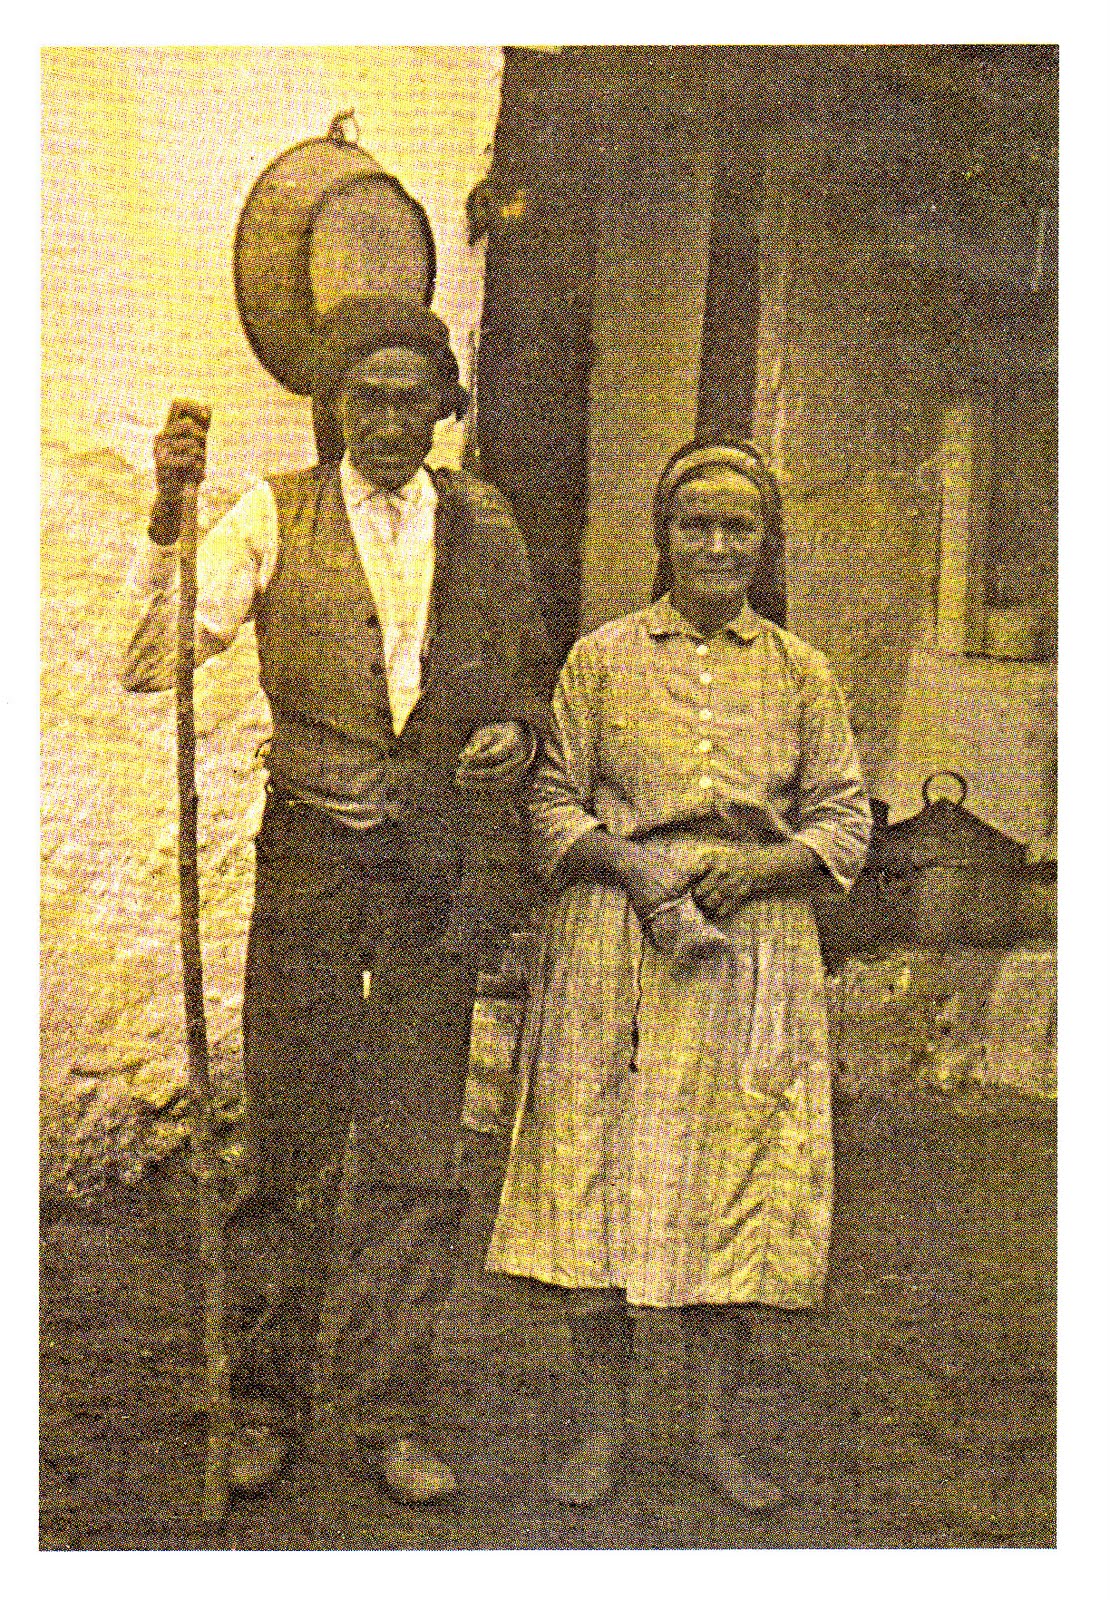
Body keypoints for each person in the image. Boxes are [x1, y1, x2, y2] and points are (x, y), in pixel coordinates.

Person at [120, 294, 554, 1504]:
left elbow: (523, 685)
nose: (389, 420)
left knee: (417, 1150)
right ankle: (262, 1400)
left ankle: (390, 1410)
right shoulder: (272, 512)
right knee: (292, 1138)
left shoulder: (489, 524)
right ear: (333, 404)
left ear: (445, 407)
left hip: (433, 873)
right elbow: (152, 661)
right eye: (366, 395)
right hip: (309, 857)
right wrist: (169, 516)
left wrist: (510, 737)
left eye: (413, 396)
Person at [485, 435, 872, 1510]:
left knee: (735, 1179)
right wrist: (634, 865)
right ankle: (601, 1435)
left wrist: (754, 868)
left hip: (750, 946)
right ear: (662, 537)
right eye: (693, 523)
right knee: (594, 1176)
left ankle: (711, 1436)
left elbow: (845, 819)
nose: (715, 544)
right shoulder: (602, 660)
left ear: (764, 541)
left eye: (737, 525)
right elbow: (551, 805)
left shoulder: (802, 670)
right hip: (615, 935)